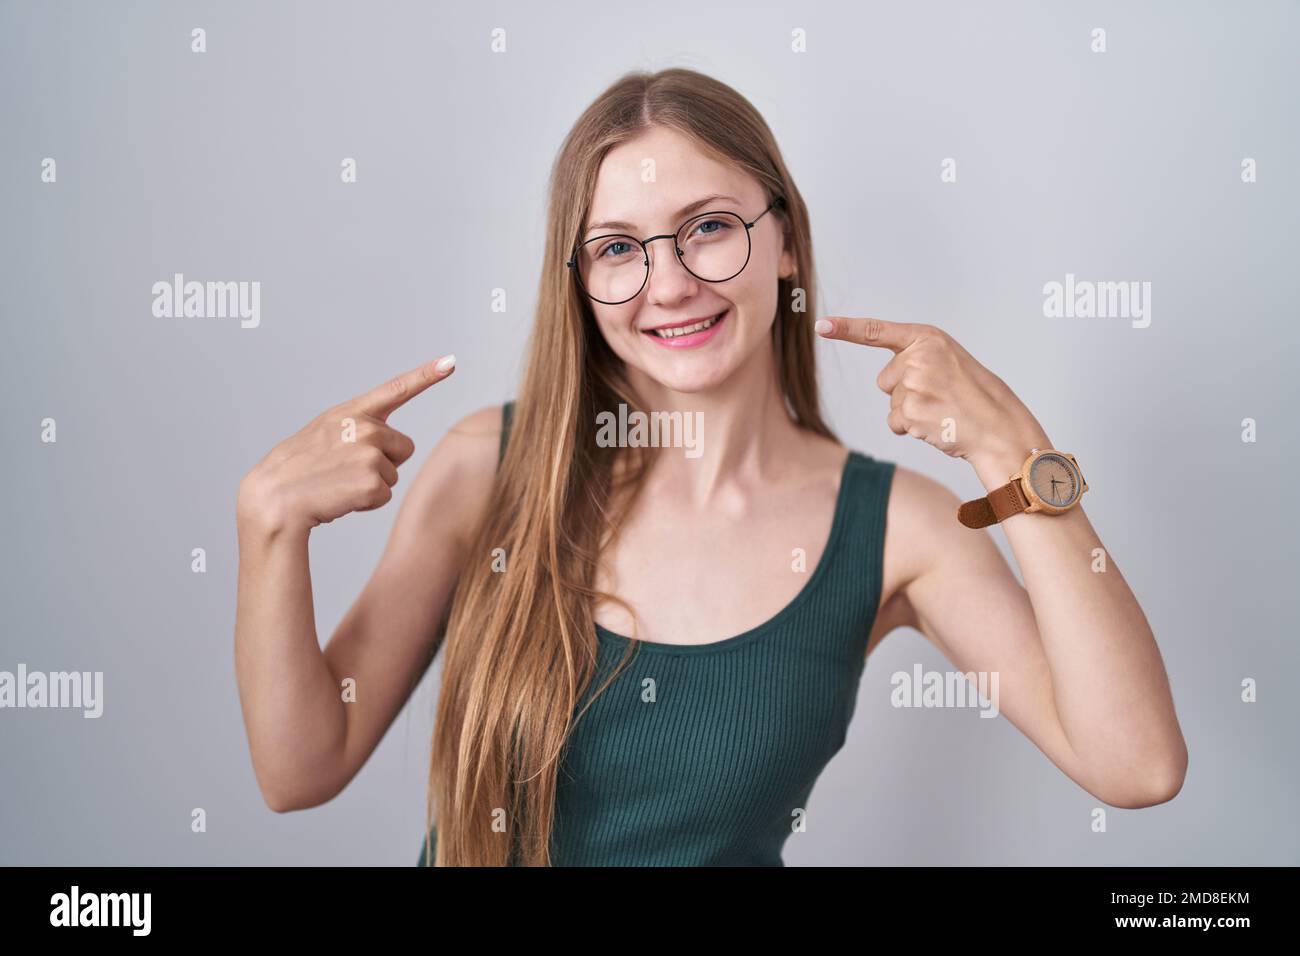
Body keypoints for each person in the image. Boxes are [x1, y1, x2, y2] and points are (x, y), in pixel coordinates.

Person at [233, 68, 1187, 867]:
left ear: (785, 243)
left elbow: (1136, 766)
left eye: (709, 227)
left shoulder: (899, 528)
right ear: (580, 283)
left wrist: (1017, 457)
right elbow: (301, 767)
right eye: (617, 249)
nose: (671, 282)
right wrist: (268, 526)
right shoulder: (487, 466)